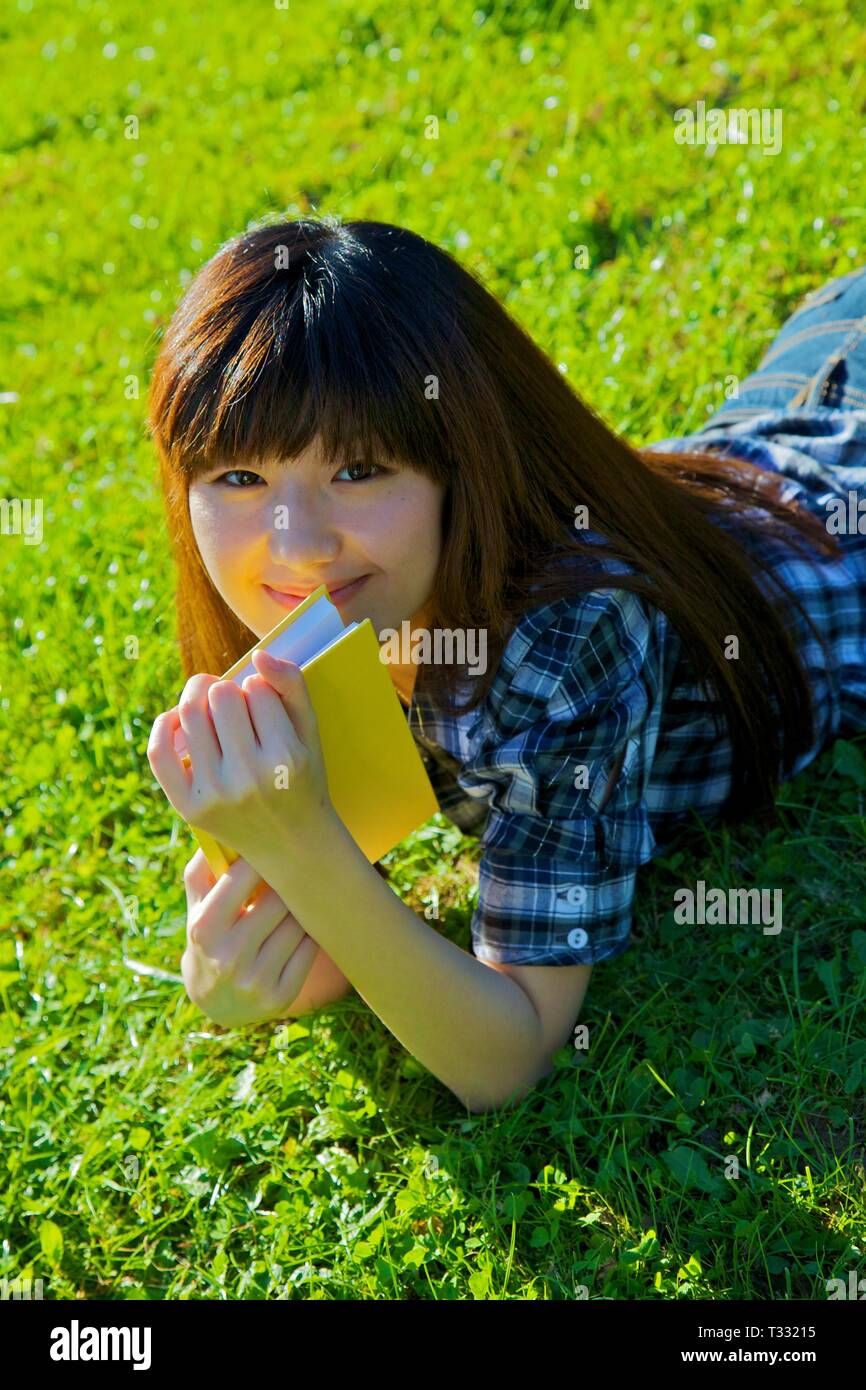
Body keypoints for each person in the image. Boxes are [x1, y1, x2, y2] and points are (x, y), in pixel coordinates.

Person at [145, 218, 866, 1113]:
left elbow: (508, 1054)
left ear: (464, 464)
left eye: (361, 469)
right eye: (240, 479)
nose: (297, 544)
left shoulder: (567, 642)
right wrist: (239, 970)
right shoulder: (310, 628)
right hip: (787, 413)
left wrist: (297, 843)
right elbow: (337, 925)